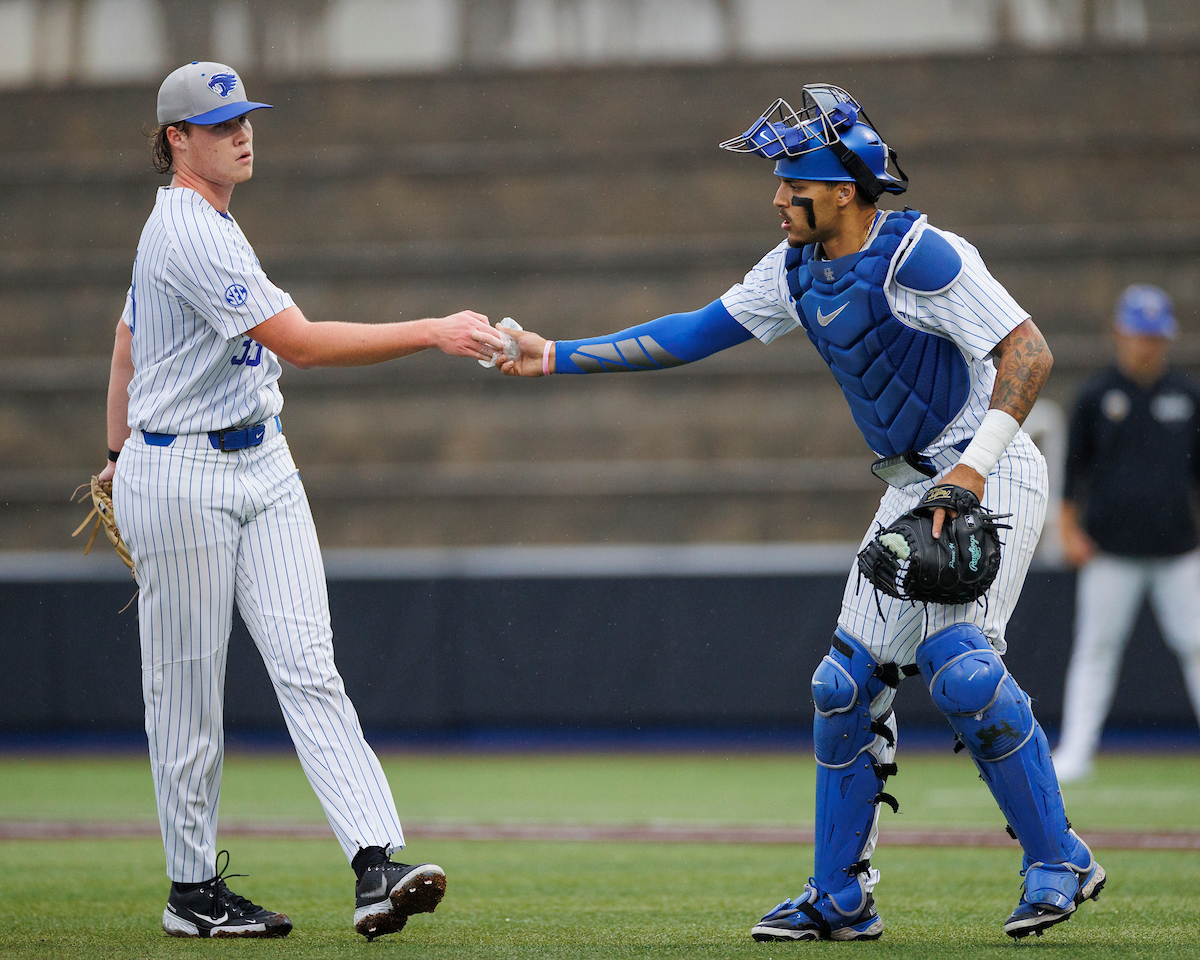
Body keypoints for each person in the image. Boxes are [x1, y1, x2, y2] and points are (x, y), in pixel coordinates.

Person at [497, 85, 1104, 941]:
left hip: (987, 468)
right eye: (779, 182)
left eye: (796, 183)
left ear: (848, 190)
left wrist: (967, 473)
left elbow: (1029, 353)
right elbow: (694, 331)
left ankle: (1060, 860)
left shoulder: (923, 256)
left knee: (960, 666)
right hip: (908, 485)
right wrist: (554, 354)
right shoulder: (793, 268)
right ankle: (840, 897)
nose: (778, 198)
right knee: (843, 685)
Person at [99, 61, 505, 940]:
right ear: (177, 140)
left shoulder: (209, 222)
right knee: (187, 694)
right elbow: (305, 347)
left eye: (245, 117)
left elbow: (128, 333)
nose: (242, 132)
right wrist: (435, 330)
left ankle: (375, 865)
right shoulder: (188, 230)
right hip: (184, 477)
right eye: (219, 124)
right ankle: (193, 891)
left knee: (311, 667)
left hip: (260, 460)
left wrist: (110, 446)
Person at [1052, 284, 1200, 783]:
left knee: (1197, 645)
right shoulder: (1096, 395)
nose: (1148, 345)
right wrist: (1068, 529)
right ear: (1120, 333)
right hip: (1110, 551)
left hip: (1179, 550)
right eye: (1140, 335)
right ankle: (1076, 751)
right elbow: (1074, 471)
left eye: (1156, 337)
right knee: (1096, 649)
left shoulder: (1187, 394)